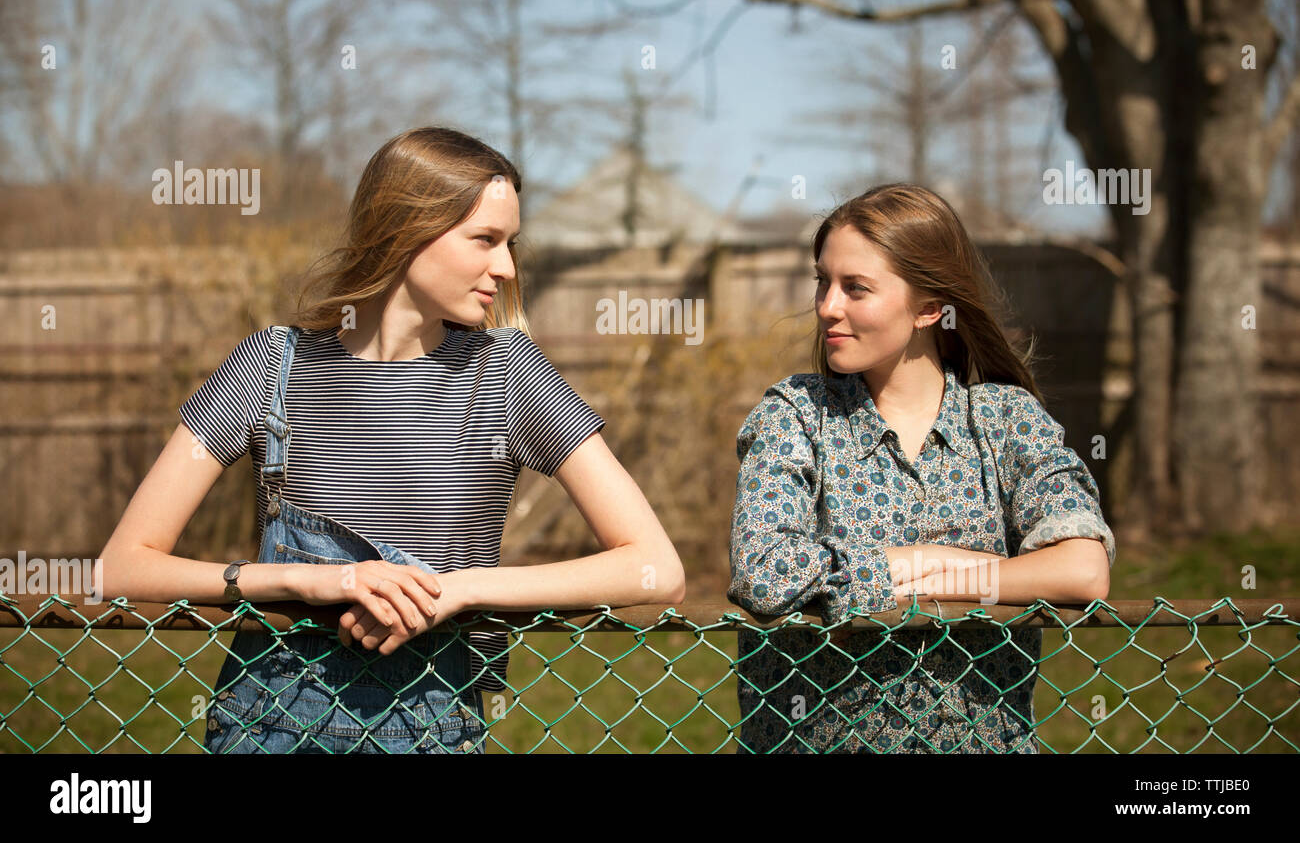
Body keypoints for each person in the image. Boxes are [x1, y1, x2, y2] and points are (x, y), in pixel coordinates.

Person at [98, 125, 685, 754]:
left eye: (510, 242)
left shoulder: (509, 377)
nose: (507, 267)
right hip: (263, 728)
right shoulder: (273, 366)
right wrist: (303, 582)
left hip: (430, 730)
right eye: (484, 240)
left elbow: (655, 568)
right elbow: (121, 567)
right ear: (407, 231)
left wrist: (459, 590)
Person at [727, 182, 1115, 754]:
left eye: (855, 288)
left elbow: (1083, 569)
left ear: (930, 308)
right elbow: (763, 571)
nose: (826, 306)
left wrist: (946, 574)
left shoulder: (1006, 421)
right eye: (823, 282)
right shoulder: (795, 418)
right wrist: (916, 563)